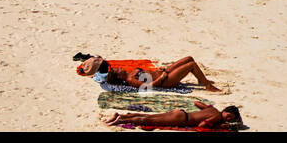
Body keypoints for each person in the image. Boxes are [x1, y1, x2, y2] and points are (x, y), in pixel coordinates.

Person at [77, 55, 220, 92]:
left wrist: (159, 70)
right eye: (117, 70)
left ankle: (202, 80)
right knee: (191, 65)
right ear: (119, 76)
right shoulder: (131, 79)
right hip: (166, 81)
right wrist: (163, 76)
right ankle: (206, 85)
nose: (118, 68)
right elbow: (149, 86)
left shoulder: (129, 73)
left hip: (162, 73)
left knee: (188, 58)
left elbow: (148, 73)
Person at [104, 101, 242, 130]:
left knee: (148, 117)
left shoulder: (214, 110)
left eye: (230, 119)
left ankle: (120, 115)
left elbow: (197, 103)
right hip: (182, 119)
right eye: (229, 116)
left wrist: (205, 110)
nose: (228, 119)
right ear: (226, 111)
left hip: (181, 113)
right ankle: (119, 119)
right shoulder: (218, 117)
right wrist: (217, 126)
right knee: (148, 120)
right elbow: (203, 125)